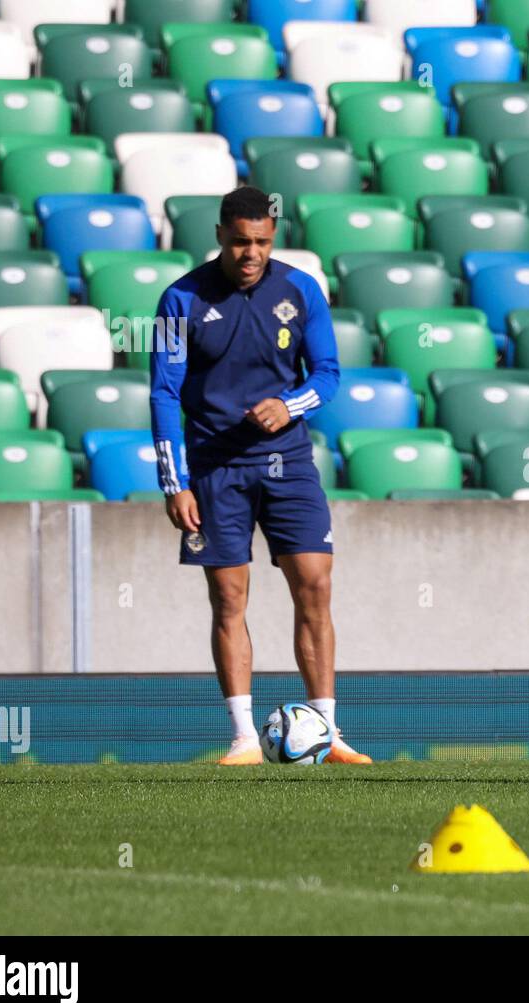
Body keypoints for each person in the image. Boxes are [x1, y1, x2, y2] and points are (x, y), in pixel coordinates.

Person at [149, 186, 371, 766]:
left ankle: (326, 727)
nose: (252, 254)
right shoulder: (180, 300)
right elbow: (163, 392)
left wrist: (290, 405)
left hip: (287, 463)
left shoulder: (300, 291)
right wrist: (175, 483)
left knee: (315, 586)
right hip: (214, 467)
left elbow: (327, 374)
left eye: (263, 243)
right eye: (242, 242)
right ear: (221, 234)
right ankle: (244, 736)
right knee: (228, 597)